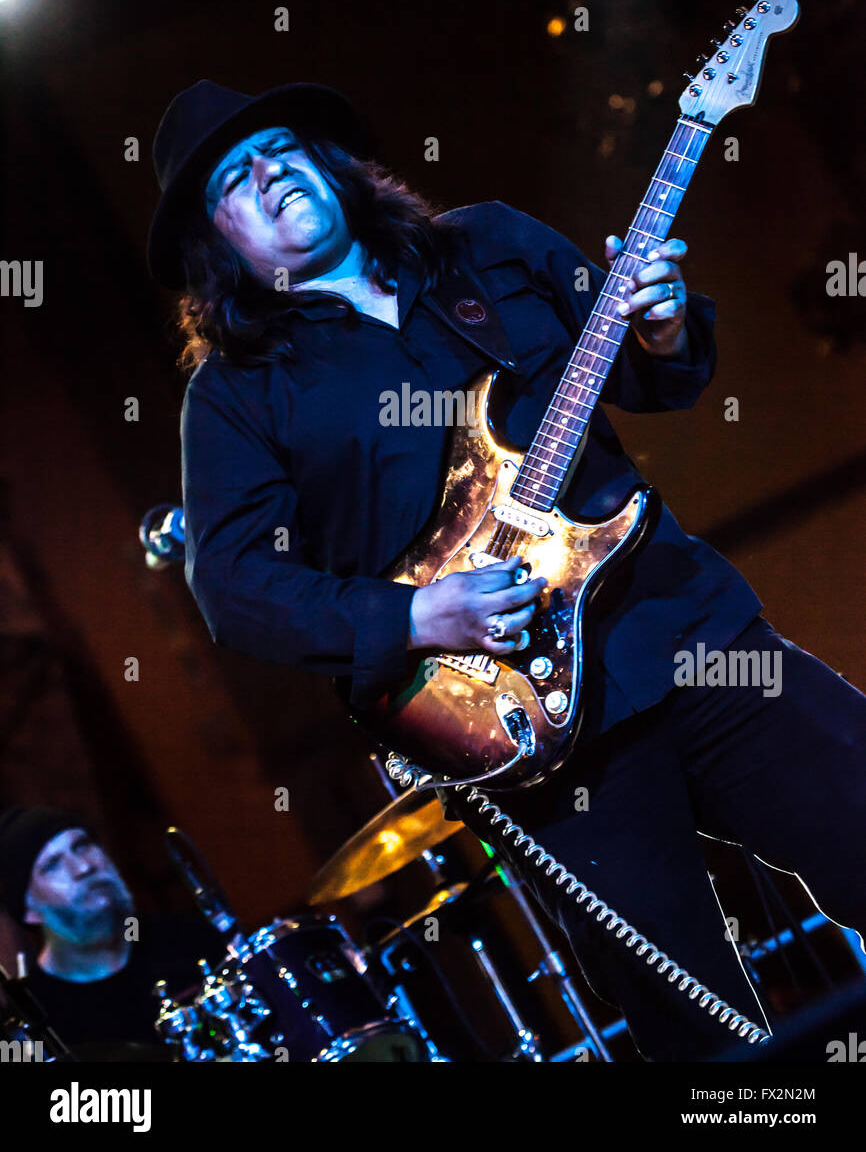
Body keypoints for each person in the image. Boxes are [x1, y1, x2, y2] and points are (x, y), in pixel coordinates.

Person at [147, 78, 866, 1061]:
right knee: (698, 1039)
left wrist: (658, 325)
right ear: (214, 240)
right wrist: (414, 615)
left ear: (329, 161)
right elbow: (233, 587)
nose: (269, 174)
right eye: (234, 176)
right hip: (523, 731)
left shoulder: (486, 244)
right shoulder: (235, 397)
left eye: (281, 148)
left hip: (683, 633)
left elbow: (653, 373)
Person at [0, 807, 222, 1055]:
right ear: (29, 909)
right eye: (52, 865)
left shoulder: (186, 937)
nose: (84, 867)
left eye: (82, 845)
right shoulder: (39, 1020)